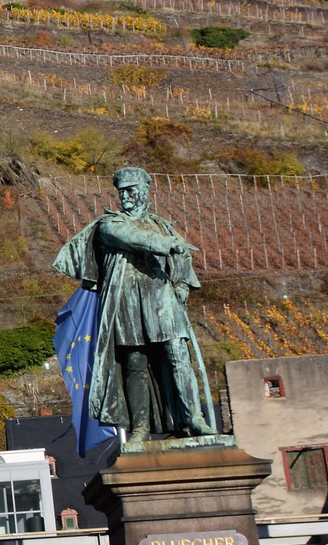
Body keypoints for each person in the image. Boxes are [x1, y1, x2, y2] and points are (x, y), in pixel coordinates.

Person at [52, 166, 215, 439]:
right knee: (134, 362)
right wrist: (168, 244)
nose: (125, 196)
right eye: (121, 191)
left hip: (162, 300)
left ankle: (194, 418)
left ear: (144, 190)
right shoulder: (110, 224)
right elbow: (131, 239)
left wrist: (183, 285)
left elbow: (183, 263)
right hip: (125, 301)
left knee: (178, 357)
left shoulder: (162, 225)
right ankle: (140, 427)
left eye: (130, 190)